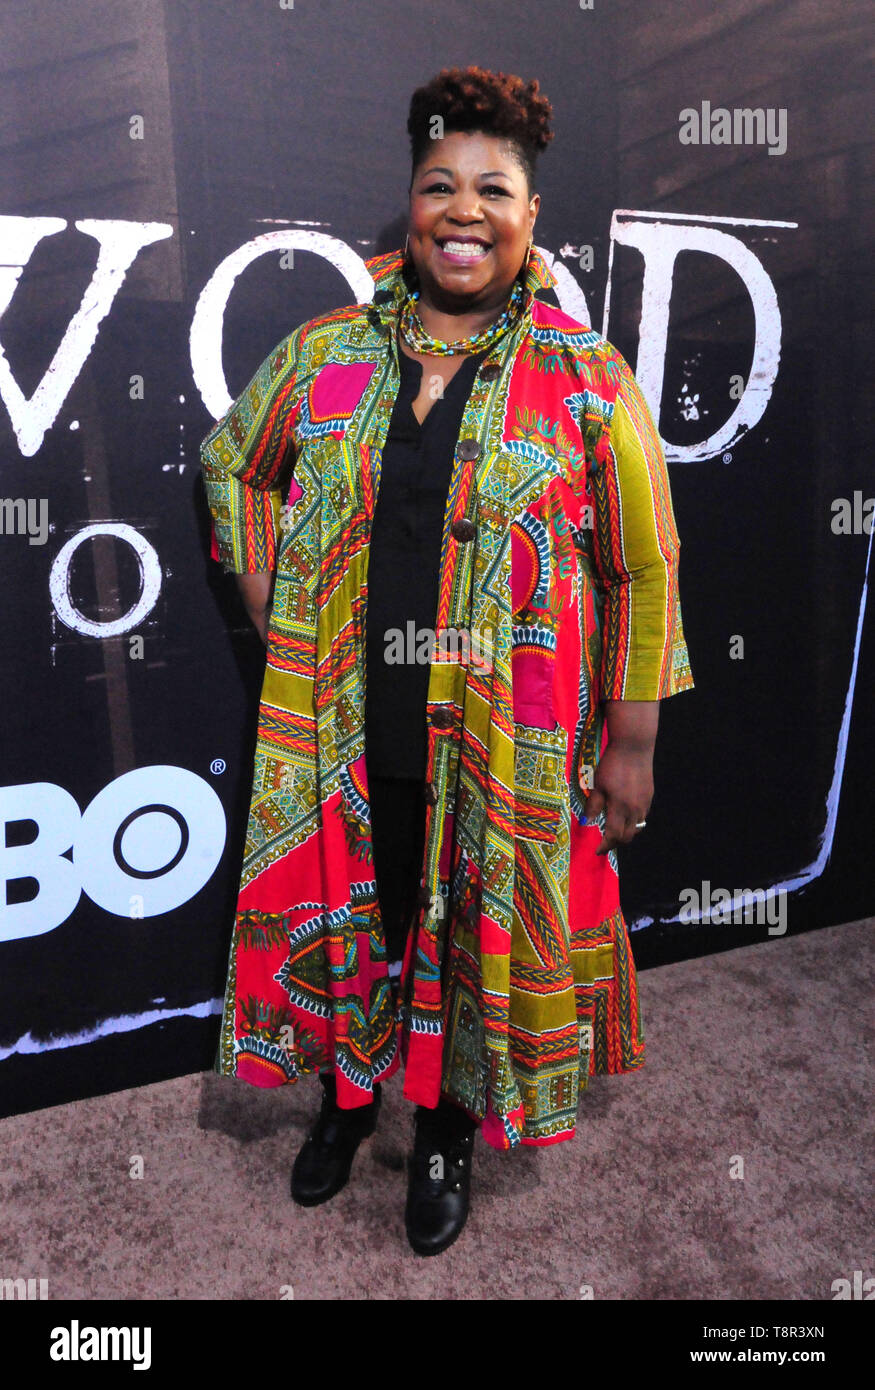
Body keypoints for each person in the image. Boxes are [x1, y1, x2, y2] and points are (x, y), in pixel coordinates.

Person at [199, 65, 694, 1257]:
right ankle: (346, 1100)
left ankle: (445, 1135)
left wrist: (629, 742)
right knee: (356, 910)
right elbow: (232, 465)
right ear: (409, 204)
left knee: (466, 925)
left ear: (529, 218)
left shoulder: (586, 384)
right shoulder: (324, 356)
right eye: (439, 184)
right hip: (344, 723)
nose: (463, 210)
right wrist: (280, 610)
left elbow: (642, 565)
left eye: (493, 189)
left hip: (499, 737)